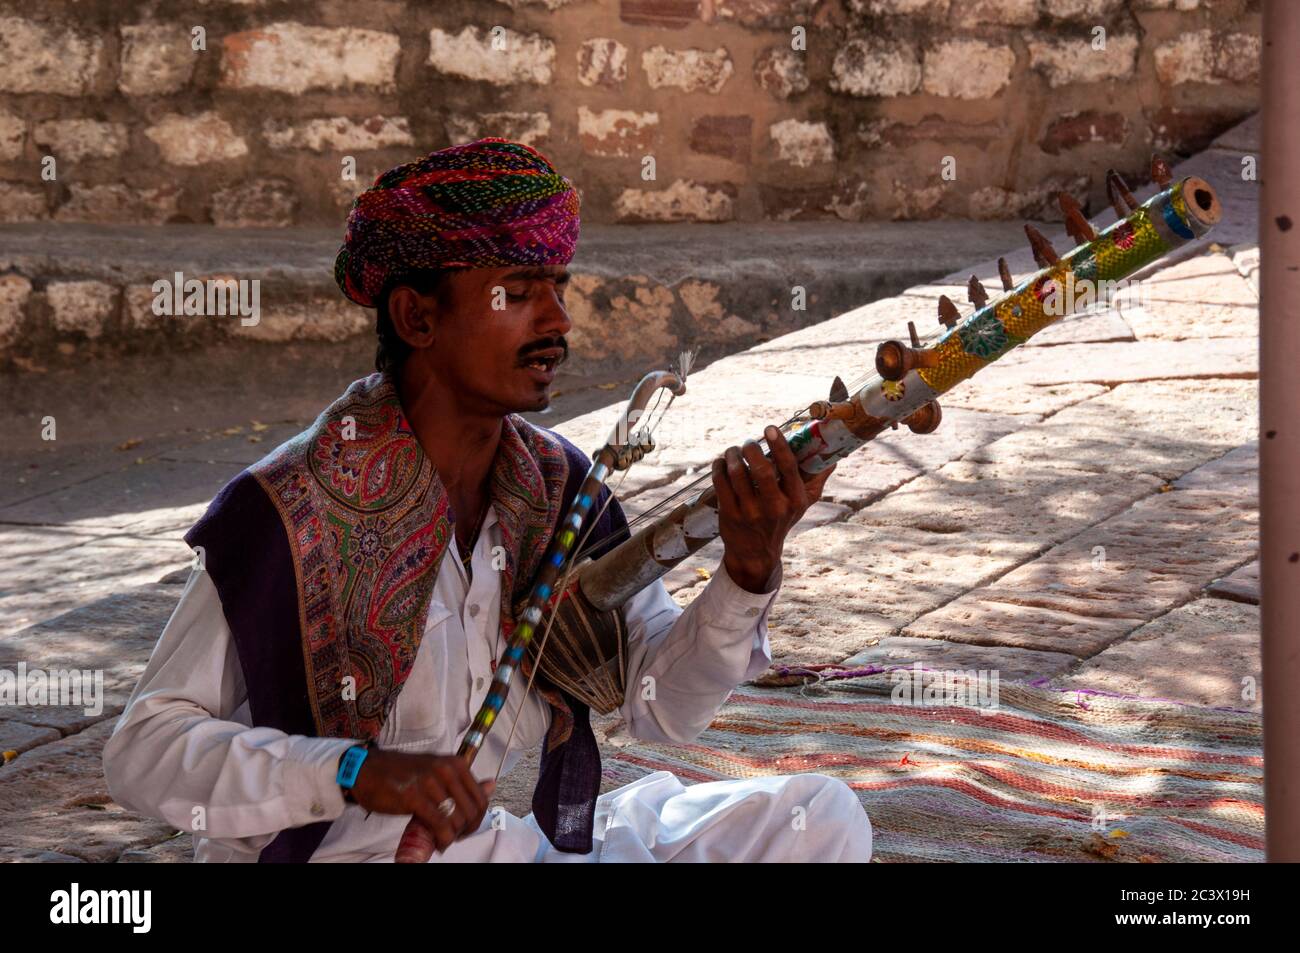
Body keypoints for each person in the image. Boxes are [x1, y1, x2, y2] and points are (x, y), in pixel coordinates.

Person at [103, 138, 873, 863]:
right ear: (416, 316)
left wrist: (747, 569)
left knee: (820, 819)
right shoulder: (292, 506)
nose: (557, 323)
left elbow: (662, 706)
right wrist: (349, 771)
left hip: (505, 847)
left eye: (558, 290)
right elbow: (144, 750)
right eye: (518, 291)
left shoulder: (557, 490)